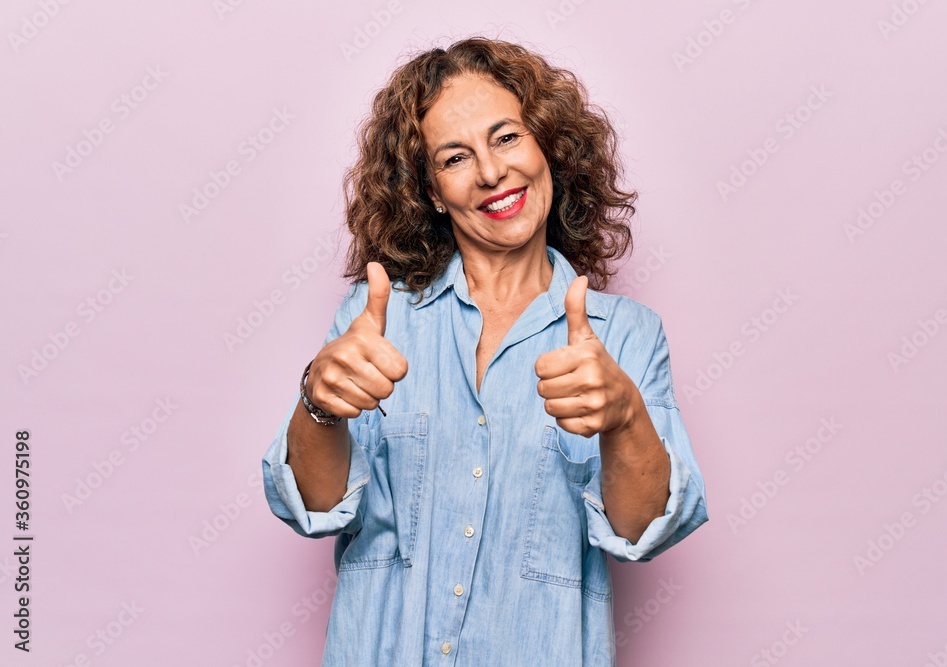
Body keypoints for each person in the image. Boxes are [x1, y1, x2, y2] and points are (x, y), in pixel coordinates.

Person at [262, 36, 708, 666]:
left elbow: (643, 532)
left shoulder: (627, 334)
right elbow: (315, 506)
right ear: (432, 193)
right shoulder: (375, 320)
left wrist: (626, 417)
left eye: (507, 138)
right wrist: (318, 403)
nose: (492, 173)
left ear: (547, 146)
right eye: (454, 158)